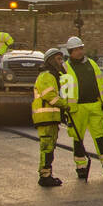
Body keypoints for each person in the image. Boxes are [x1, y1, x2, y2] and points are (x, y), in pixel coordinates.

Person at [60, 35, 103, 179]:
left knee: (100, 136)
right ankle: (81, 167)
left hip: (94, 105)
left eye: (81, 48)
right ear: (70, 52)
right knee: (78, 139)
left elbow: (101, 84)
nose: (80, 52)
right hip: (76, 109)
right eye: (76, 49)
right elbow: (63, 90)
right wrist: (63, 109)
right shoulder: (65, 68)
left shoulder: (92, 64)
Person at [32, 48, 68, 188]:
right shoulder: (47, 76)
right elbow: (50, 96)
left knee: (49, 147)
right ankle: (44, 176)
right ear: (51, 60)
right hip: (45, 116)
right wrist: (66, 105)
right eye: (58, 59)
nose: (61, 62)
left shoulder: (53, 75)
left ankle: (47, 173)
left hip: (51, 117)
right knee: (47, 147)